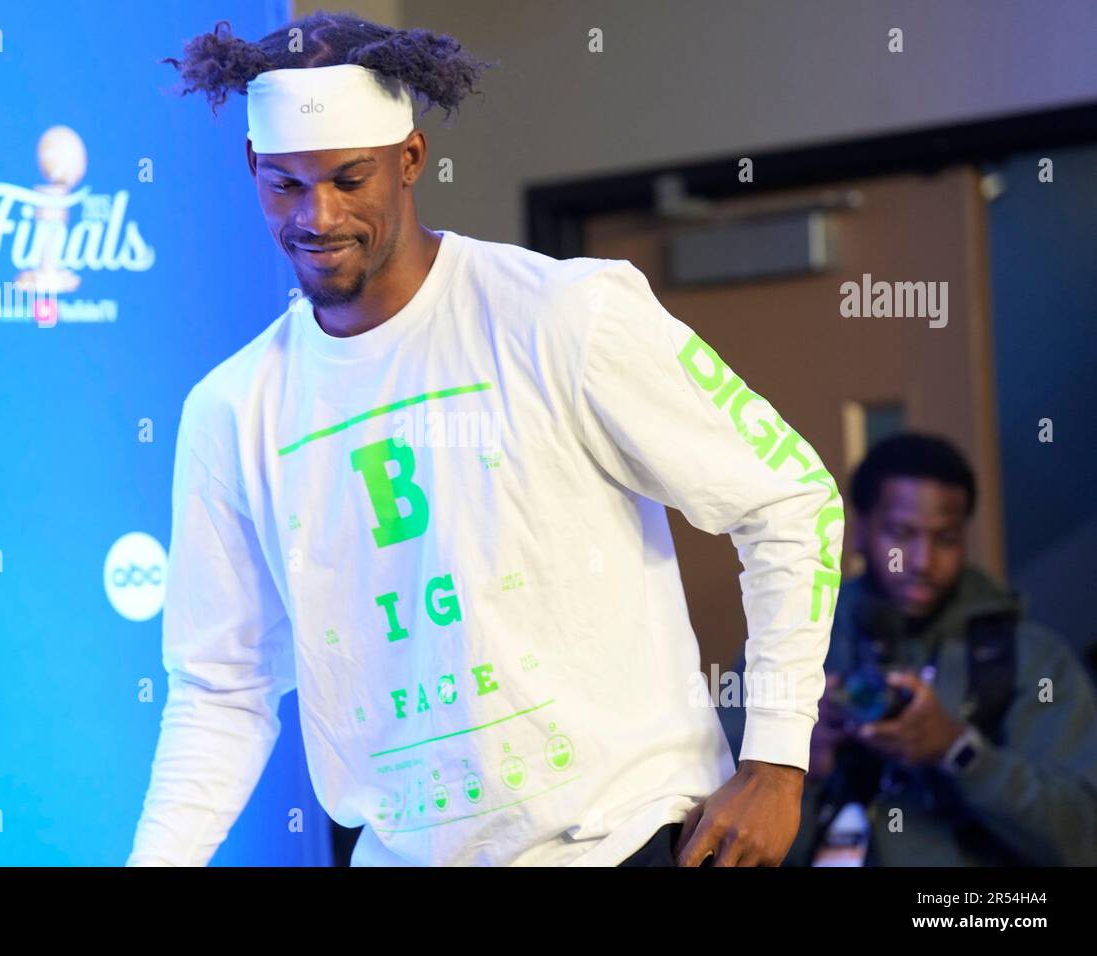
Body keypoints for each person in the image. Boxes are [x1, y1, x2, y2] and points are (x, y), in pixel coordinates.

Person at [126, 11, 844, 868]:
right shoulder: (232, 409)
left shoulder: (566, 314)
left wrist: (776, 761)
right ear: (252, 168)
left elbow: (792, 501)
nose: (317, 215)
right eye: (285, 184)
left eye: (349, 179)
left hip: (625, 842)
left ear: (410, 159)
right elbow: (221, 687)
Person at [720, 432, 1097, 865]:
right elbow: (717, 829)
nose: (921, 561)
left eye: (946, 539)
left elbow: (1082, 840)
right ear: (859, 529)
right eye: (902, 533)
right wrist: (792, 758)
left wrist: (959, 751)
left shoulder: (1031, 659)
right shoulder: (792, 640)